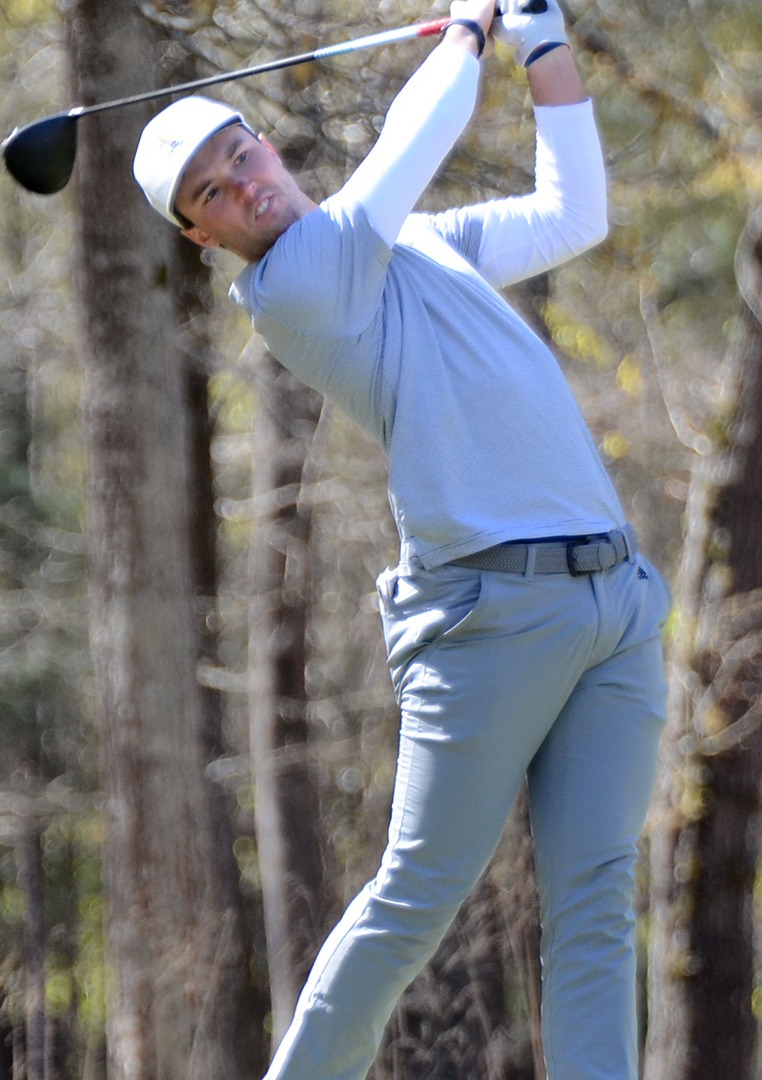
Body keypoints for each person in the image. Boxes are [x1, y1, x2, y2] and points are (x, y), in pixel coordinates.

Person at [134, 1, 670, 1077]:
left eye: (240, 156)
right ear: (204, 234)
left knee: (597, 904)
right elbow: (410, 141)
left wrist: (544, 39)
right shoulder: (294, 287)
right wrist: (474, 30)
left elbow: (575, 216)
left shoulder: (412, 242)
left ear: (266, 146)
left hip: (614, 604)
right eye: (213, 192)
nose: (244, 184)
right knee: (417, 900)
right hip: (488, 622)